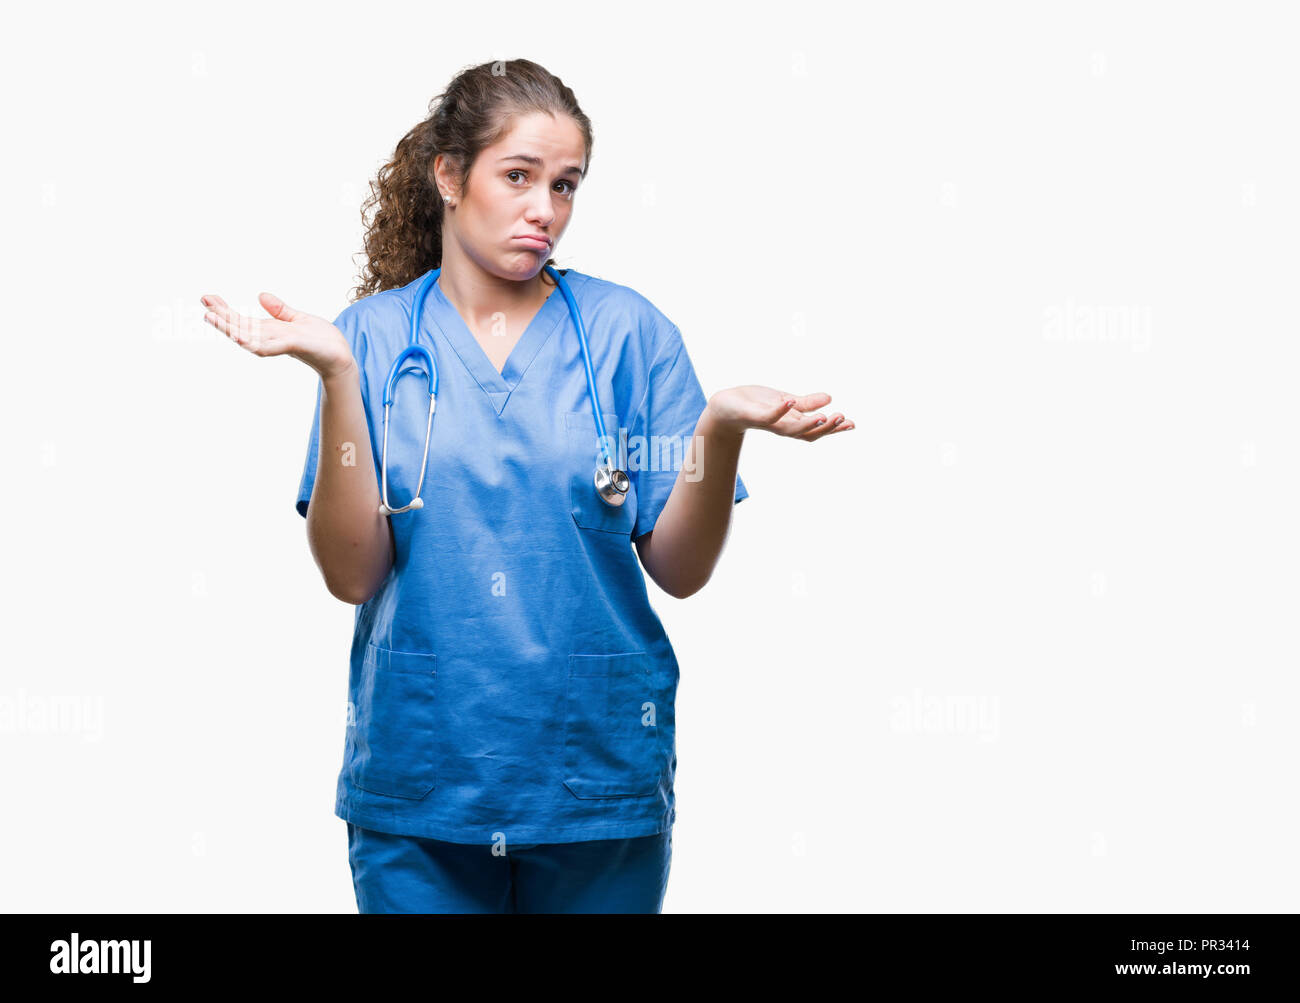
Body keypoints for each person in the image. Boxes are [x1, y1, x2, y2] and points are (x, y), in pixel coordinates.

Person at [200, 58, 853, 913]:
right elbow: (350, 576)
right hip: (422, 781)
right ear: (448, 175)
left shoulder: (629, 334)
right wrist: (332, 373)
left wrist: (718, 430)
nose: (546, 210)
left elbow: (682, 570)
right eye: (519, 176)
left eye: (566, 185)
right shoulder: (370, 335)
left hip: (596, 779)